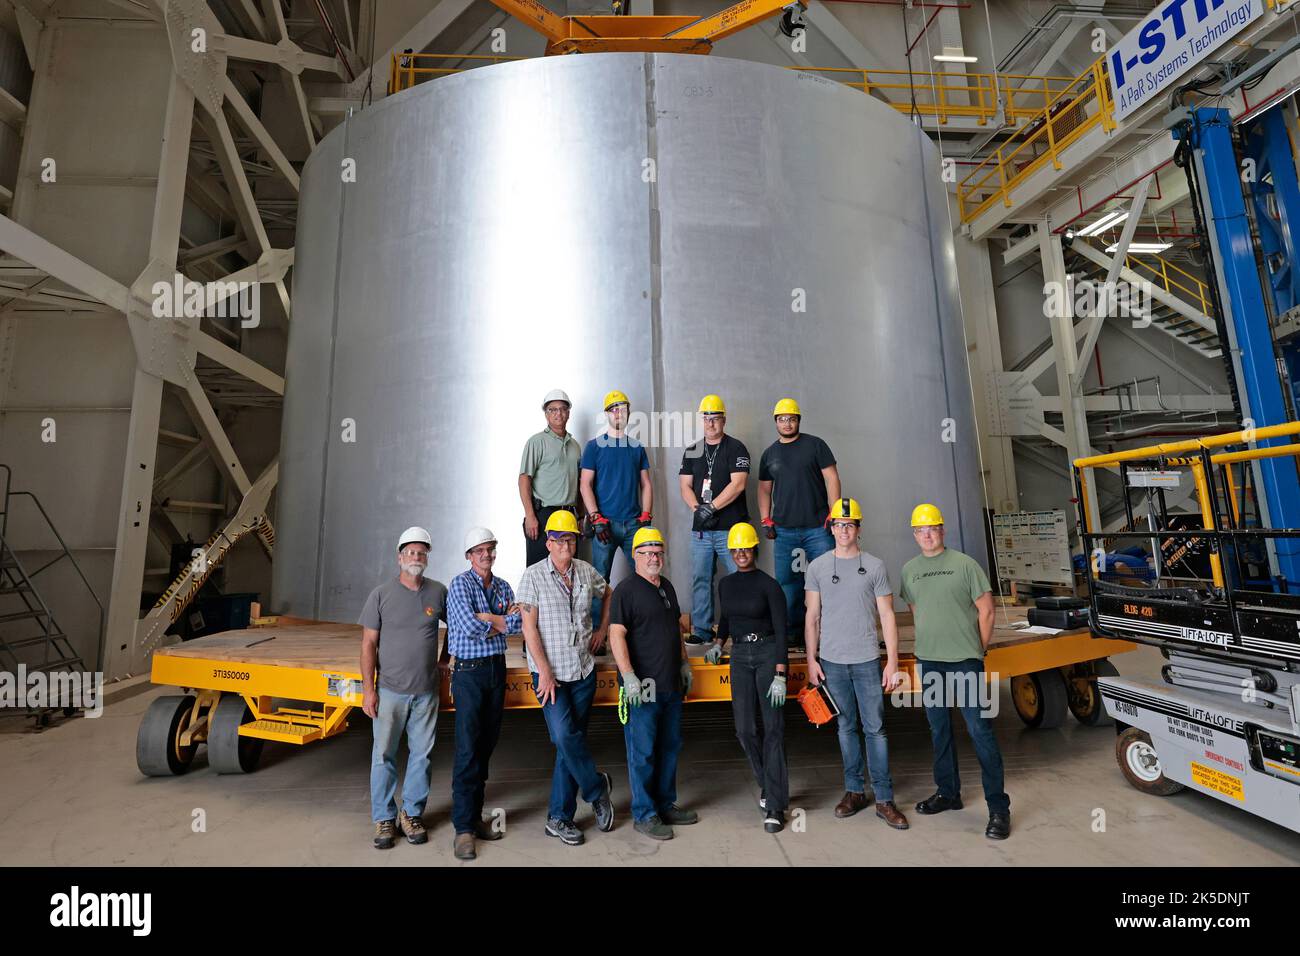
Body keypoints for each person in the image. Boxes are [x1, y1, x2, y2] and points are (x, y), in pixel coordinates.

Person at [898, 503, 1010, 841]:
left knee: (979, 731)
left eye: (932, 528)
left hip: (964, 661)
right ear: (915, 535)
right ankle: (948, 793)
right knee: (939, 729)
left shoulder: (965, 565)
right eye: (921, 530)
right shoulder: (909, 570)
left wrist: (978, 649)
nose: (927, 534)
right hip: (929, 661)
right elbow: (916, 609)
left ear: (942, 530)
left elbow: (986, 610)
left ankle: (998, 809)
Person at [804, 498, 908, 830]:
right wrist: (811, 659)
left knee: (875, 729)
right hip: (833, 662)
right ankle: (853, 791)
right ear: (830, 528)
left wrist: (891, 661)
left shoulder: (875, 566)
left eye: (850, 524)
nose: (844, 530)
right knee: (846, 728)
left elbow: (888, 616)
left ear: (859, 529)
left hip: (866, 660)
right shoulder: (818, 567)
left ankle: (884, 798)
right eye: (838, 524)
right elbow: (812, 617)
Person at [515, 510, 616, 846]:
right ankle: (596, 787)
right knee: (563, 737)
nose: (564, 544)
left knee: (569, 745)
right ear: (548, 543)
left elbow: (610, 593)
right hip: (551, 675)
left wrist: (602, 629)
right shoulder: (532, 577)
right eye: (558, 539)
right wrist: (543, 671)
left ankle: (558, 818)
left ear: (576, 541)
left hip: (583, 671)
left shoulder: (587, 572)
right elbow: (529, 629)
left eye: (570, 538)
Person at [359, 526, 448, 850]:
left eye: (422, 552)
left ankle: (412, 814)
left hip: (426, 692)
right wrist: (369, 690)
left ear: (427, 558)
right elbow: (368, 644)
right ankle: (384, 818)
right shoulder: (381, 595)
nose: (416, 557)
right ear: (399, 558)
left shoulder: (438, 592)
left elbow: (457, 625)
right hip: (390, 692)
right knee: (383, 756)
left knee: (421, 757)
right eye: (411, 552)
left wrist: (444, 657)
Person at [609, 527, 698, 840]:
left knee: (670, 747)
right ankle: (645, 814)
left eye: (658, 552)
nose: (653, 558)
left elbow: (675, 629)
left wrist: (684, 662)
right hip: (642, 687)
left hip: (670, 684)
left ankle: (665, 804)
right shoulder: (625, 591)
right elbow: (616, 634)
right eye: (647, 553)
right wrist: (628, 675)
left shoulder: (667, 588)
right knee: (643, 751)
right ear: (635, 556)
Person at [705, 522, 789, 833]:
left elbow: (782, 631)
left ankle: (776, 805)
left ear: (754, 549)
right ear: (731, 552)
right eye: (736, 549)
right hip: (739, 657)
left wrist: (781, 672)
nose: (741, 554)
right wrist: (718, 643)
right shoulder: (725, 585)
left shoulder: (770, 586)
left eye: (746, 548)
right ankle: (768, 783)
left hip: (767, 653)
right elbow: (726, 618)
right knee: (744, 729)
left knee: (773, 729)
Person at [445, 526, 522, 860]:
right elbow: (466, 626)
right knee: (467, 749)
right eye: (479, 550)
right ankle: (463, 829)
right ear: (469, 556)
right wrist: (500, 621)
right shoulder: (459, 584)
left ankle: (475, 818)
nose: (486, 555)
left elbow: (519, 624)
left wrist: (491, 619)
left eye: (490, 549)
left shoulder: (503, 585)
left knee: (486, 745)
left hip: (495, 669)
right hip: (468, 673)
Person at [757, 398, 840, 644]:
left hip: (818, 528)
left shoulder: (815, 445)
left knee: (828, 579)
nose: (787, 423)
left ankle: (829, 631)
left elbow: (832, 478)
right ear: (776, 422)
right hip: (784, 531)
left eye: (791, 418)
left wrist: (834, 515)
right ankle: (794, 633)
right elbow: (763, 490)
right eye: (782, 419)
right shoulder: (770, 453)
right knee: (788, 584)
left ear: (798, 421)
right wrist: (765, 519)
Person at [679, 393, 751, 645]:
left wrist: (713, 507)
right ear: (702, 420)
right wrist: (699, 508)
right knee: (701, 578)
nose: (711, 423)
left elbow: (739, 484)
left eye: (716, 418)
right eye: (707, 418)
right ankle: (702, 629)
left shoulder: (736, 447)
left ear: (724, 420)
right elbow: (685, 485)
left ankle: (744, 628)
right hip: (701, 531)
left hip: (732, 530)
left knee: (740, 579)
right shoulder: (693, 450)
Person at [580, 389, 652, 591]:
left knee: (644, 576)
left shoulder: (636, 447)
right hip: (605, 525)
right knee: (599, 582)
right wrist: (596, 518)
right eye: (613, 409)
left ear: (629, 412)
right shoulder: (594, 447)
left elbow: (646, 484)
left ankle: (642, 622)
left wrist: (646, 515)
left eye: (622, 408)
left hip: (633, 525)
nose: (618, 413)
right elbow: (585, 484)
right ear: (606, 414)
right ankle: (596, 624)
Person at [520, 389, 582, 567]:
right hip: (543, 516)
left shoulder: (575, 446)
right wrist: (530, 515)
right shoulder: (536, 442)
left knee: (568, 568)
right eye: (553, 410)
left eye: (562, 409)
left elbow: (578, 484)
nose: (558, 413)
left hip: (569, 514)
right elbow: (524, 479)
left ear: (568, 413)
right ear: (546, 414)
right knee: (538, 569)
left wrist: (581, 516)